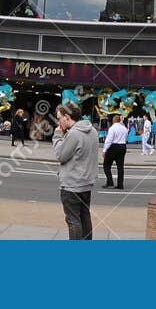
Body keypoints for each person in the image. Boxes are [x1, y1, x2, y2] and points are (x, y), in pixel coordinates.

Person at [53, 100, 97, 239]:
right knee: (85, 217)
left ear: (67, 117)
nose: (58, 122)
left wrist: (58, 135)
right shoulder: (93, 131)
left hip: (72, 185)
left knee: (73, 221)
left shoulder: (74, 134)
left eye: (59, 118)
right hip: (86, 183)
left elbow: (60, 155)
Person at [101, 112, 128, 188]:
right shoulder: (124, 128)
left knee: (106, 165)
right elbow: (126, 137)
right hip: (122, 146)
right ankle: (120, 184)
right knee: (120, 166)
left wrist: (104, 150)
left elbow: (109, 140)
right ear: (119, 120)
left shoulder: (112, 128)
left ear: (113, 121)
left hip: (113, 146)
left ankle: (110, 182)